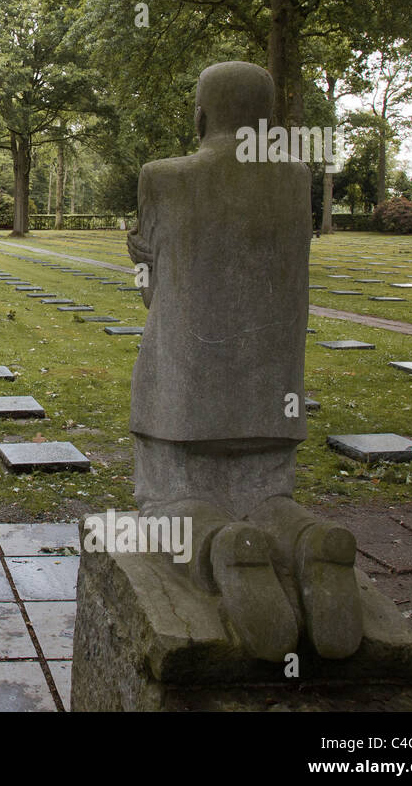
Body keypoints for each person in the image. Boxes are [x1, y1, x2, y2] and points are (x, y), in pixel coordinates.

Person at [127, 62, 362, 661]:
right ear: (266, 118)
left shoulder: (163, 177)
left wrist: (143, 259)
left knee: (169, 504)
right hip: (270, 396)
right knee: (268, 497)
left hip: (183, 395)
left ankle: (215, 545)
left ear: (202, 113)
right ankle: (304, 539)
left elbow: (154, 288)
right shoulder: (294, 179)